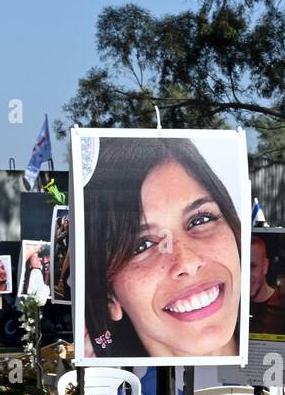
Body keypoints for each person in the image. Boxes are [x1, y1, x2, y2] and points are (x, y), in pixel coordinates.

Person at [80, 137, 242, 359]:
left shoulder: (284, 382)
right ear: (110, 298)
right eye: (142, 245)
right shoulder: (108, 392)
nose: (187, 262)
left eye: (200, 220)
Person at [248, 235, 285, 337]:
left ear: (265, 266)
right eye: (243, 266)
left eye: (253, 266)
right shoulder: (236, 304)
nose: (247, 275)